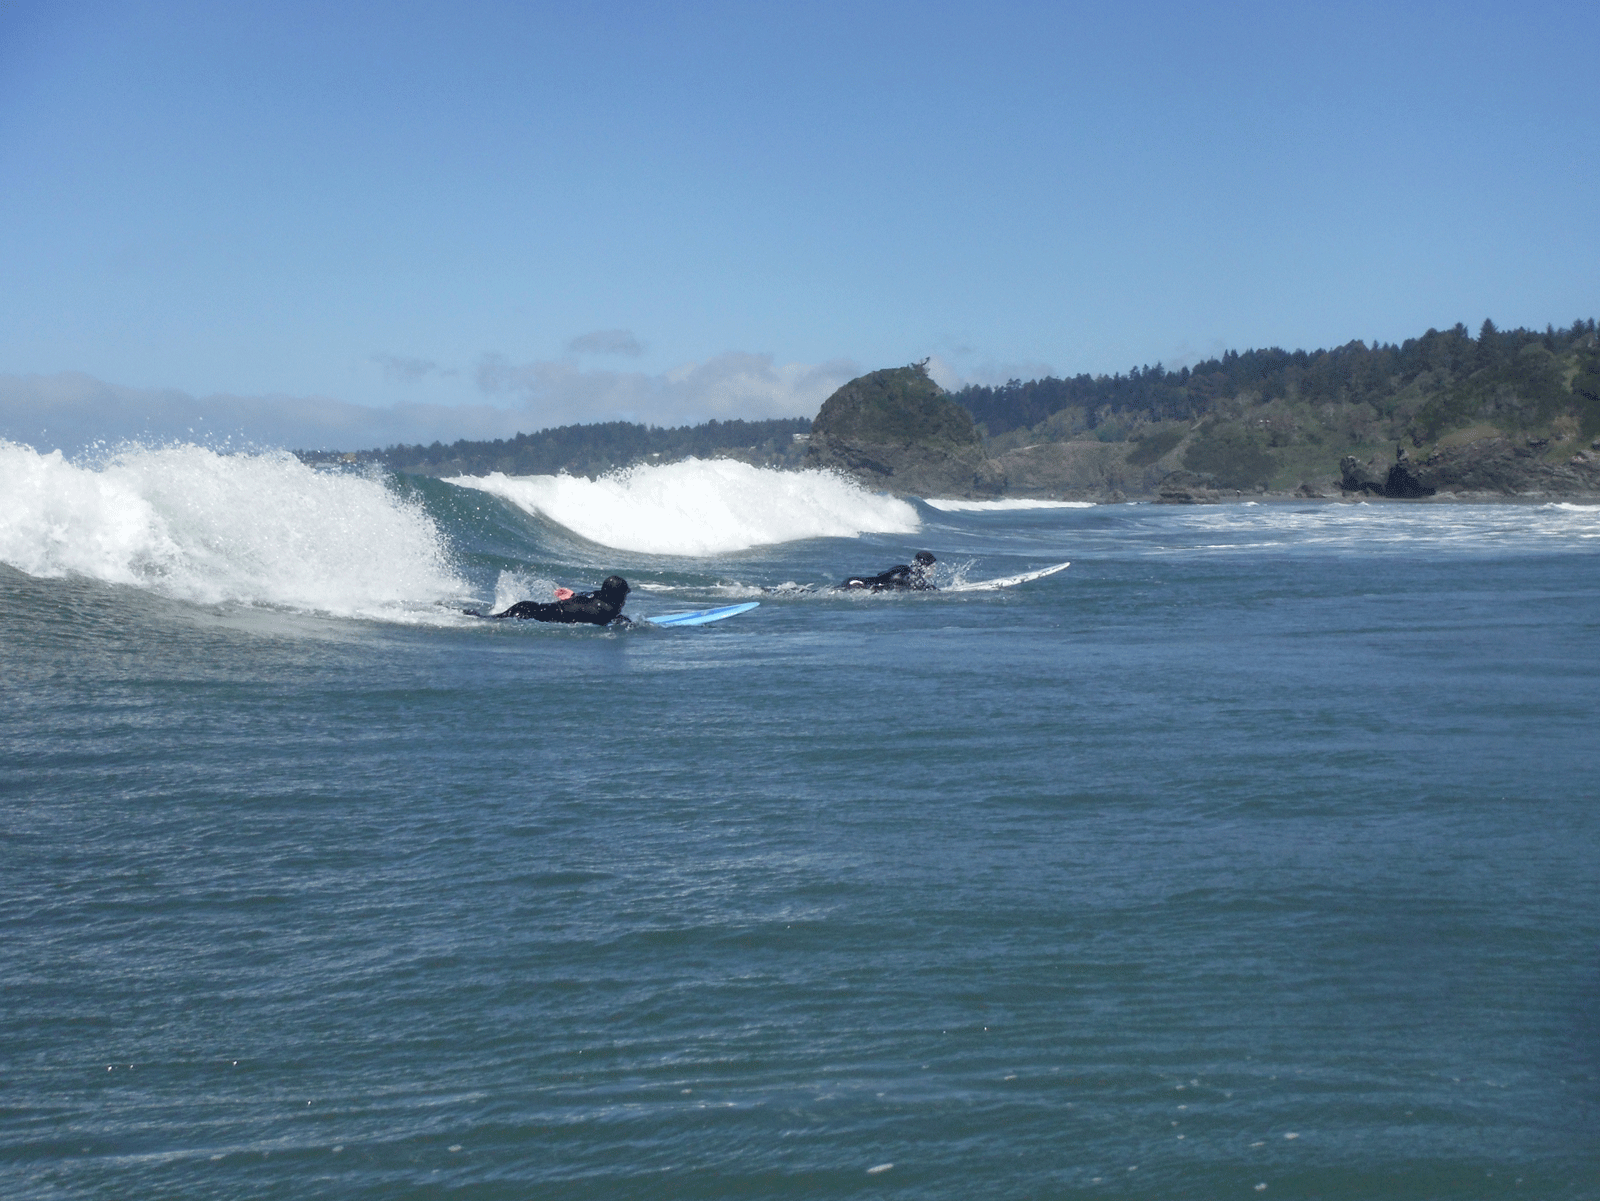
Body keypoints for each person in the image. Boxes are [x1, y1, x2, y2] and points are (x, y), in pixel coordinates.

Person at [465, 575, 631, 625]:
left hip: (527, 607)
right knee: (486, 621)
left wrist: (573, 597)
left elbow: (585, 600)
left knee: (487, 619)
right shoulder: (606, 610)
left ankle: (464, 613)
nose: (624, 601)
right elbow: (614, 620)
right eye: (624, 596)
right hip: (531, 614)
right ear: (617, 596)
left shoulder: (596, 596)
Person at [839, 551, 938, 592]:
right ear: (924, 566)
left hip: (853, 581)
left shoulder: (903, 568)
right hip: (858, 584)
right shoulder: (909, 574)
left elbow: (882, 574)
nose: (933, 570)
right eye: (932, 567)